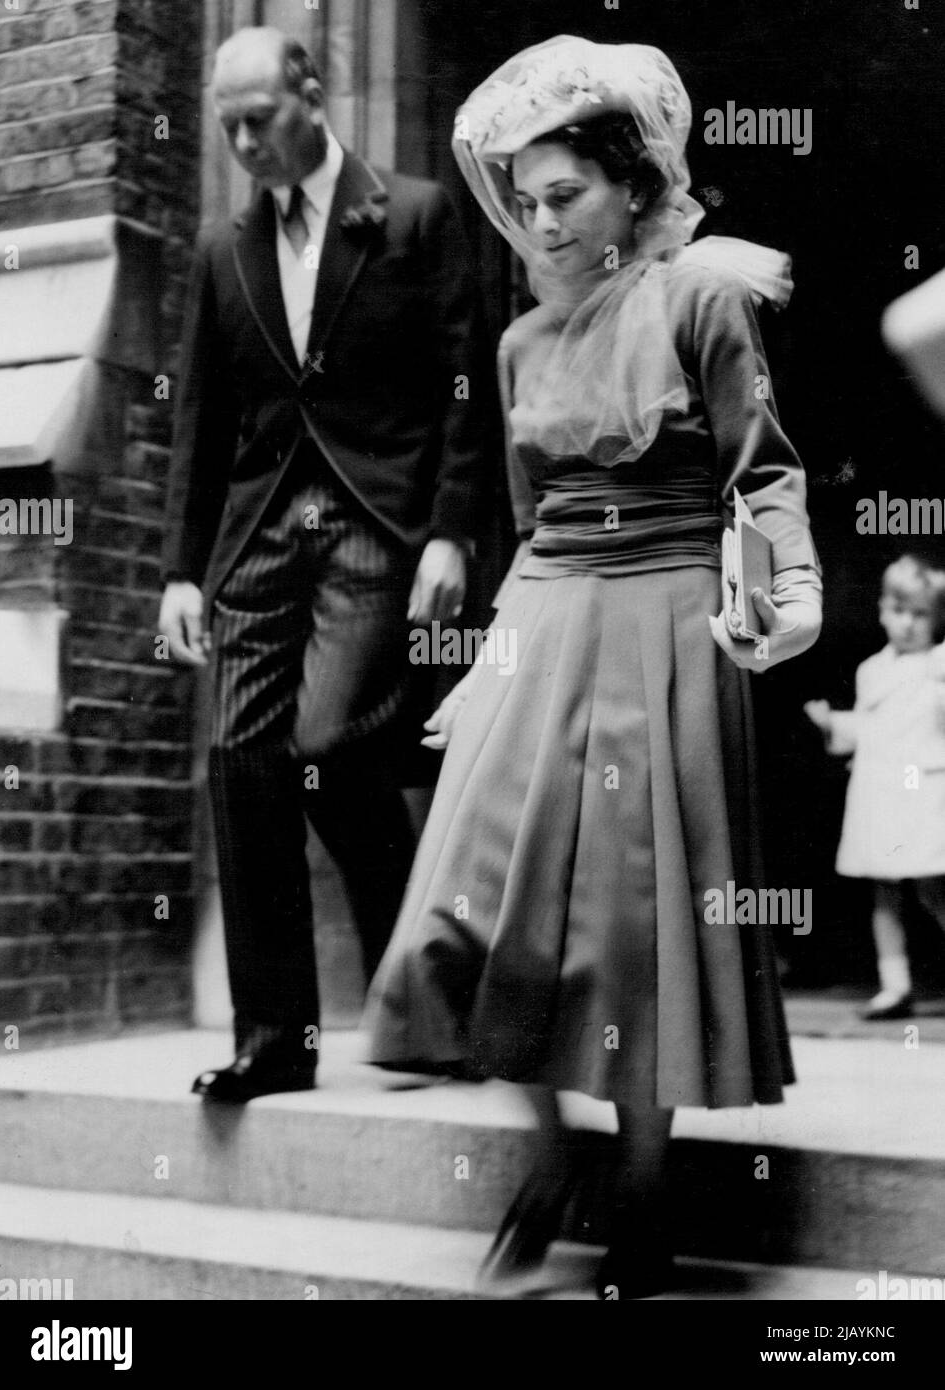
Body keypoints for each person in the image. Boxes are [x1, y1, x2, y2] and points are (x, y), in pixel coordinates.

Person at [363, 36, 822, 1298]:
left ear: (630, 184)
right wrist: (485, 662)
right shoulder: (519, 349)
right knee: (457, 906)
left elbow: (762, 472)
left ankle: (640, 1196)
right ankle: (553, 1154)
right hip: (551, 613)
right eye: (523, 199)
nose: (542, 222)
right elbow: (532, 530)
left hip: (672, 613)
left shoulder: (703, 297)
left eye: (564, 195)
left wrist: (781, 593)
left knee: (635, 924)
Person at [159, 26, 489, 1102]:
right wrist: (178, 573)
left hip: (371, 526)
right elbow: (202, 427)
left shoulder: (417, 212)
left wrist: (449, 528)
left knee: (327, 743)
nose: (243, 141)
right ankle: (276, 1038)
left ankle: (429, 996)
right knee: (245, 759)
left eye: (259, 119)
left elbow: (463, 386)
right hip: (257, 538)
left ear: (313, 90)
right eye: (227, 127)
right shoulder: (222, 250)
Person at [805, 556, 945, 1020]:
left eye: (921, 613)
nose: (908, 623)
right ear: (883, 610)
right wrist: (833, 726)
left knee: (933, 890)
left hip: (925, 792)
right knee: (883, 892)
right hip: (881, 795)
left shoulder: (938, 667)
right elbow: (866, 730)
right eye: (900, 610)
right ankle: (895, 985)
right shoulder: (870, 671)